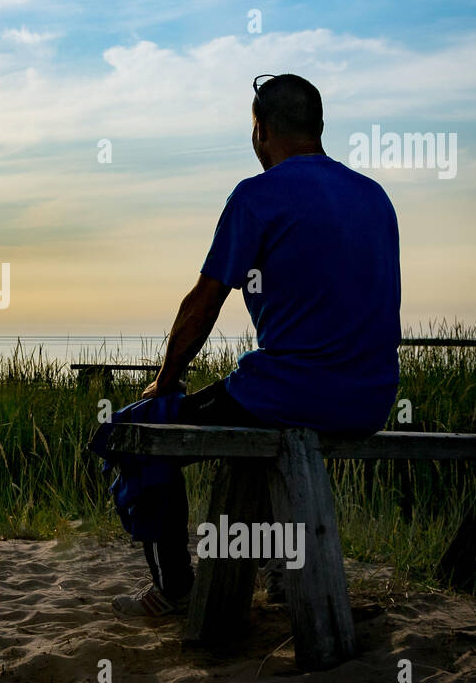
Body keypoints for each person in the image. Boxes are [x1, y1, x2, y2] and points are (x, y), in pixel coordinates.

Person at [92, 74, 401, 617]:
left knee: (133, 434)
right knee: (260, 431)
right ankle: (283, 575)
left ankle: (174, 591)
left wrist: (165, 382)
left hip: (291, 394)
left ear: (260, 130)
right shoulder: (374, 198)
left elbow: (203, 304)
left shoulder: (257, 196)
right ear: (319, 128)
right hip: (371, 401)